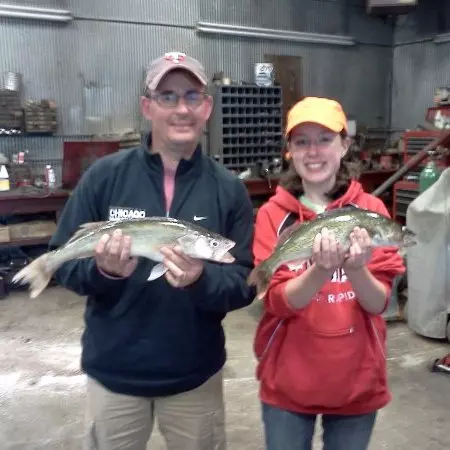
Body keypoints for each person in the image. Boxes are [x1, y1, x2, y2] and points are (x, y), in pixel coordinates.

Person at [49, 51, 255, 450]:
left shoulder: (230, 190)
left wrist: (200, 279)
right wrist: (103, 272)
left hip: (194, 377)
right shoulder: (104, 177)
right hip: (115, 376)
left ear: (207, 107)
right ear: (147, 107)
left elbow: (243, 283)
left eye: (193, 96)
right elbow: (64, 264)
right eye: (168, 97)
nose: (182, 109)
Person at [251, 96, 406, 450]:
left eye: (324, 139)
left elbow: (379, 303)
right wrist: (320, 271)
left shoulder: (371, 210)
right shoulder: (273, 215)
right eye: (301, 141)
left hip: (356, 382)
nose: (313, 151)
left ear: (344, 145)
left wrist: (355, 269)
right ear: (289, 150)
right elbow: (277, 303)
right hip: (287, 382)